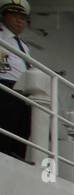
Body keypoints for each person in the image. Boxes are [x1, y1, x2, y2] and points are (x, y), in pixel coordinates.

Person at [0, 0, 31, 162]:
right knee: (6, 121)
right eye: (15, 16)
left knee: (23, 126)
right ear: (5, 16)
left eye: (23, 18)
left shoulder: (24, 46)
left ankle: (17, 155)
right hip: (4, 86)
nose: (20, 21)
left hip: (22, 90)